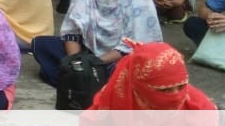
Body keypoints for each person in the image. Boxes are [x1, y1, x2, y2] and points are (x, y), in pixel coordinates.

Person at [32, 0, 162, 87]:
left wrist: (95, 62)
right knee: (41, 44)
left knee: (133, 70)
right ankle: (86, 81)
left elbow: (136, 44)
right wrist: (76, 62)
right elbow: (72, 32)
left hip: (119, 57)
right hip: (87, 50)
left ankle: (82, 83)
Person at [88, 40, 216, 110]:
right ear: (138, 86)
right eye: (165, 90)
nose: (176, 97)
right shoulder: (113, 101)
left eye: (181, 86)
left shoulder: (199, 108)